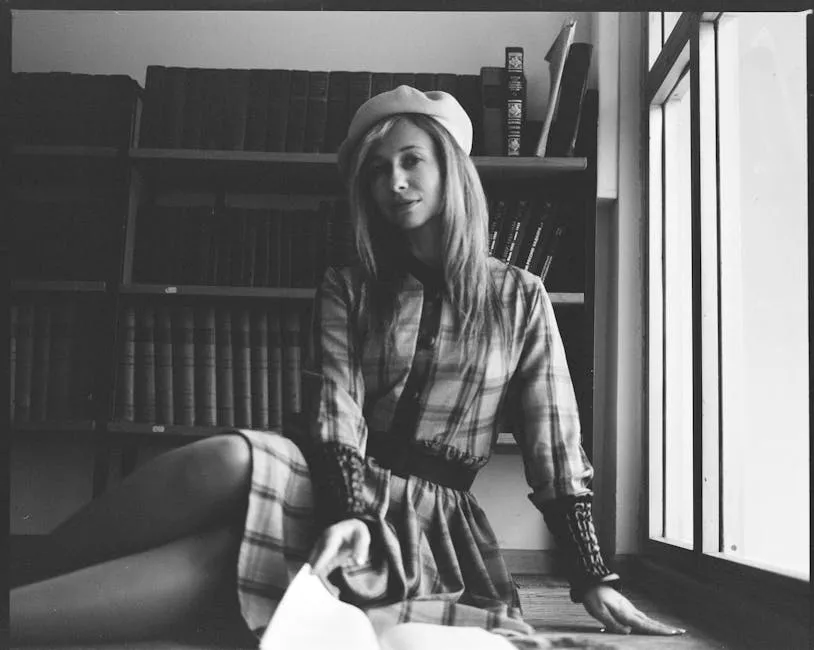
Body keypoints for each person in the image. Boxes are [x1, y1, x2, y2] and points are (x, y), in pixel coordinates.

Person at [10, 86, 684, 647]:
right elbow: (337, 404)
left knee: (229, 559)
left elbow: (554, 445)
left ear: (451, 167)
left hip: (428, 524)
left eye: (412, 161)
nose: (394, 182)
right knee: (227, 457)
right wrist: (351, 509)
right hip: (332, 476)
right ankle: (28, 570)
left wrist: (592, 574)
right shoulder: (349, 285)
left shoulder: (519, 297)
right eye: (376, 170)